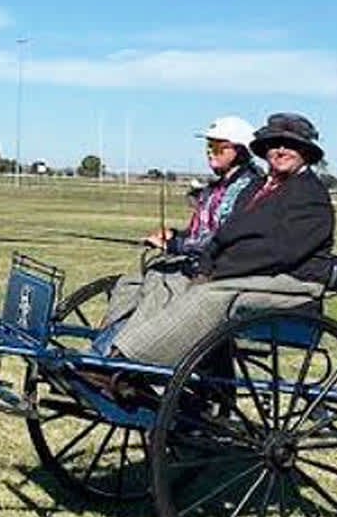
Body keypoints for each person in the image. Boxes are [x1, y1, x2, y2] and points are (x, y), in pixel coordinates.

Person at [107, 112, 335, 367]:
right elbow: (224, 235)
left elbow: (280, 252)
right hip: (250, 272)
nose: (280, 150)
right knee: (169, 281)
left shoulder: (309, 194)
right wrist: (204, 265)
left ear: (305, 152)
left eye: (290, 145)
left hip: (292, 280)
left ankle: (133, 363)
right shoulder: (256, 188)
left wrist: (218, 271)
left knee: (208, 295)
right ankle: (111, 353)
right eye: (274, 144)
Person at [97, 116, 264, 351]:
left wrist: (175, 244)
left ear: (240, 151)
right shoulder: (216, 188)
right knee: (130, 283)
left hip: (218, 270)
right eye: (208, 146)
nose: (210, 152)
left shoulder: (249, 189)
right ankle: (102, 346)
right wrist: (174, 235)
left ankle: (124, 357)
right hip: (196, 260)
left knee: (160, 286)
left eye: (218, 147)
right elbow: (199, 231)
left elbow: (222, 238)